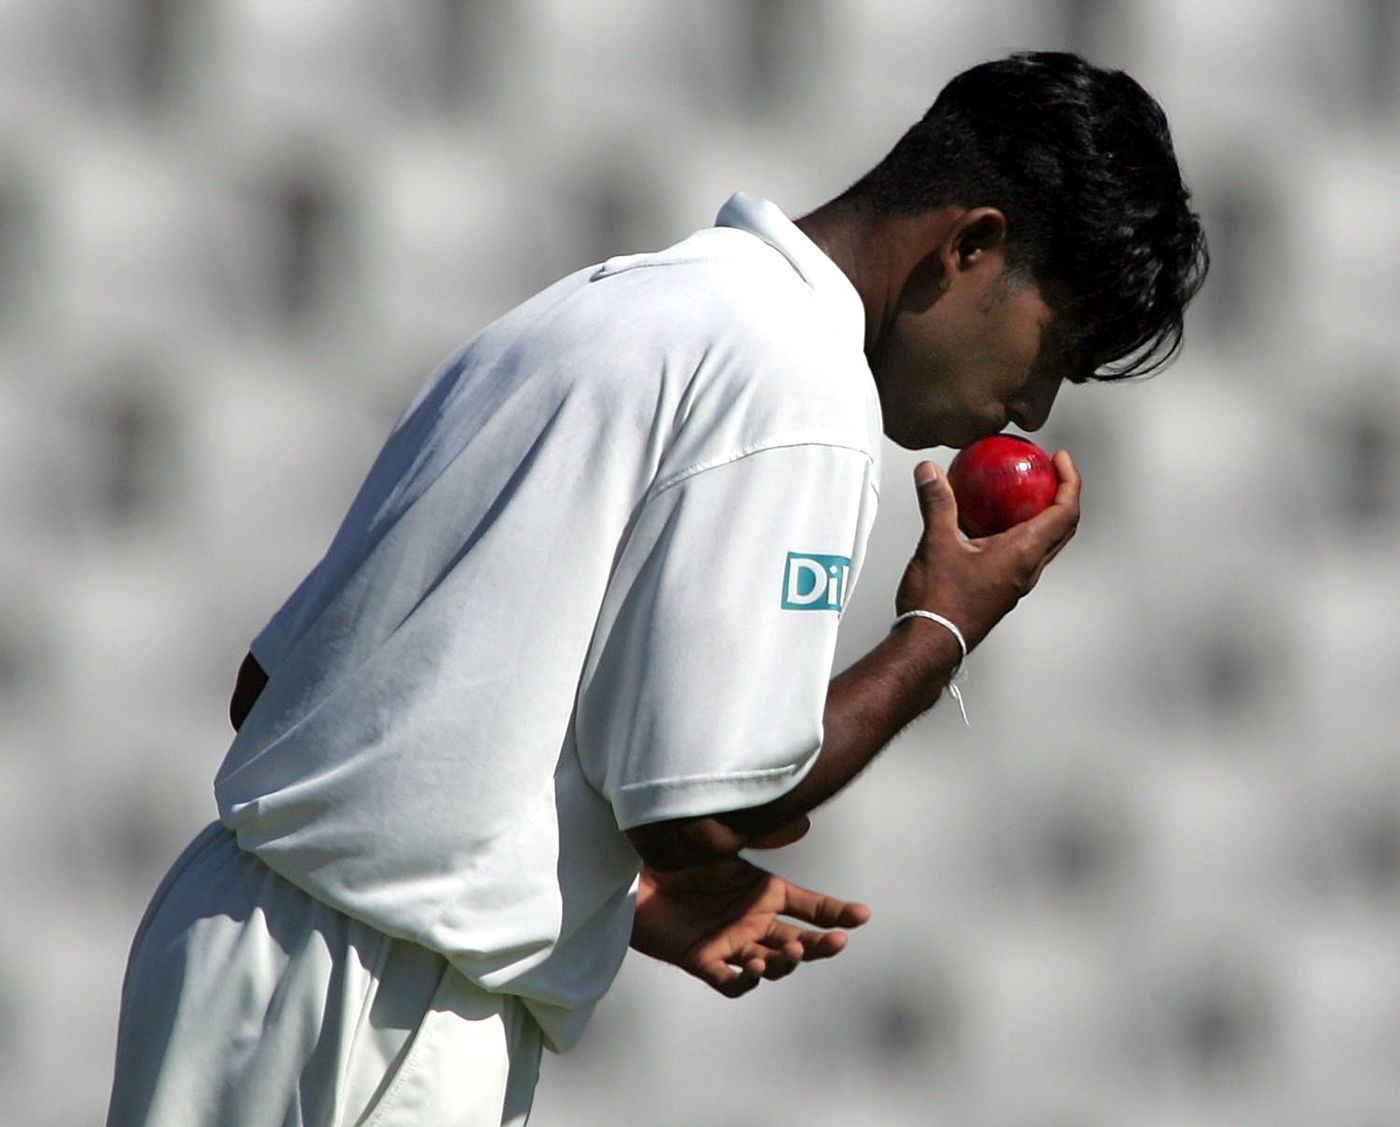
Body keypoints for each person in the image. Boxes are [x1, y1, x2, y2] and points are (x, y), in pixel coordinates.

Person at [107, 51, 1207, 1126]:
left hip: (229, 947)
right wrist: (939, 629)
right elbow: (713, 801)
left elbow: (275, 688)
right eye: (1051, 345)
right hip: (382, 1013)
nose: (1036, 408)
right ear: (969, 245)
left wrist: (616, 887)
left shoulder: (599, 305)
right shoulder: (794, 378)